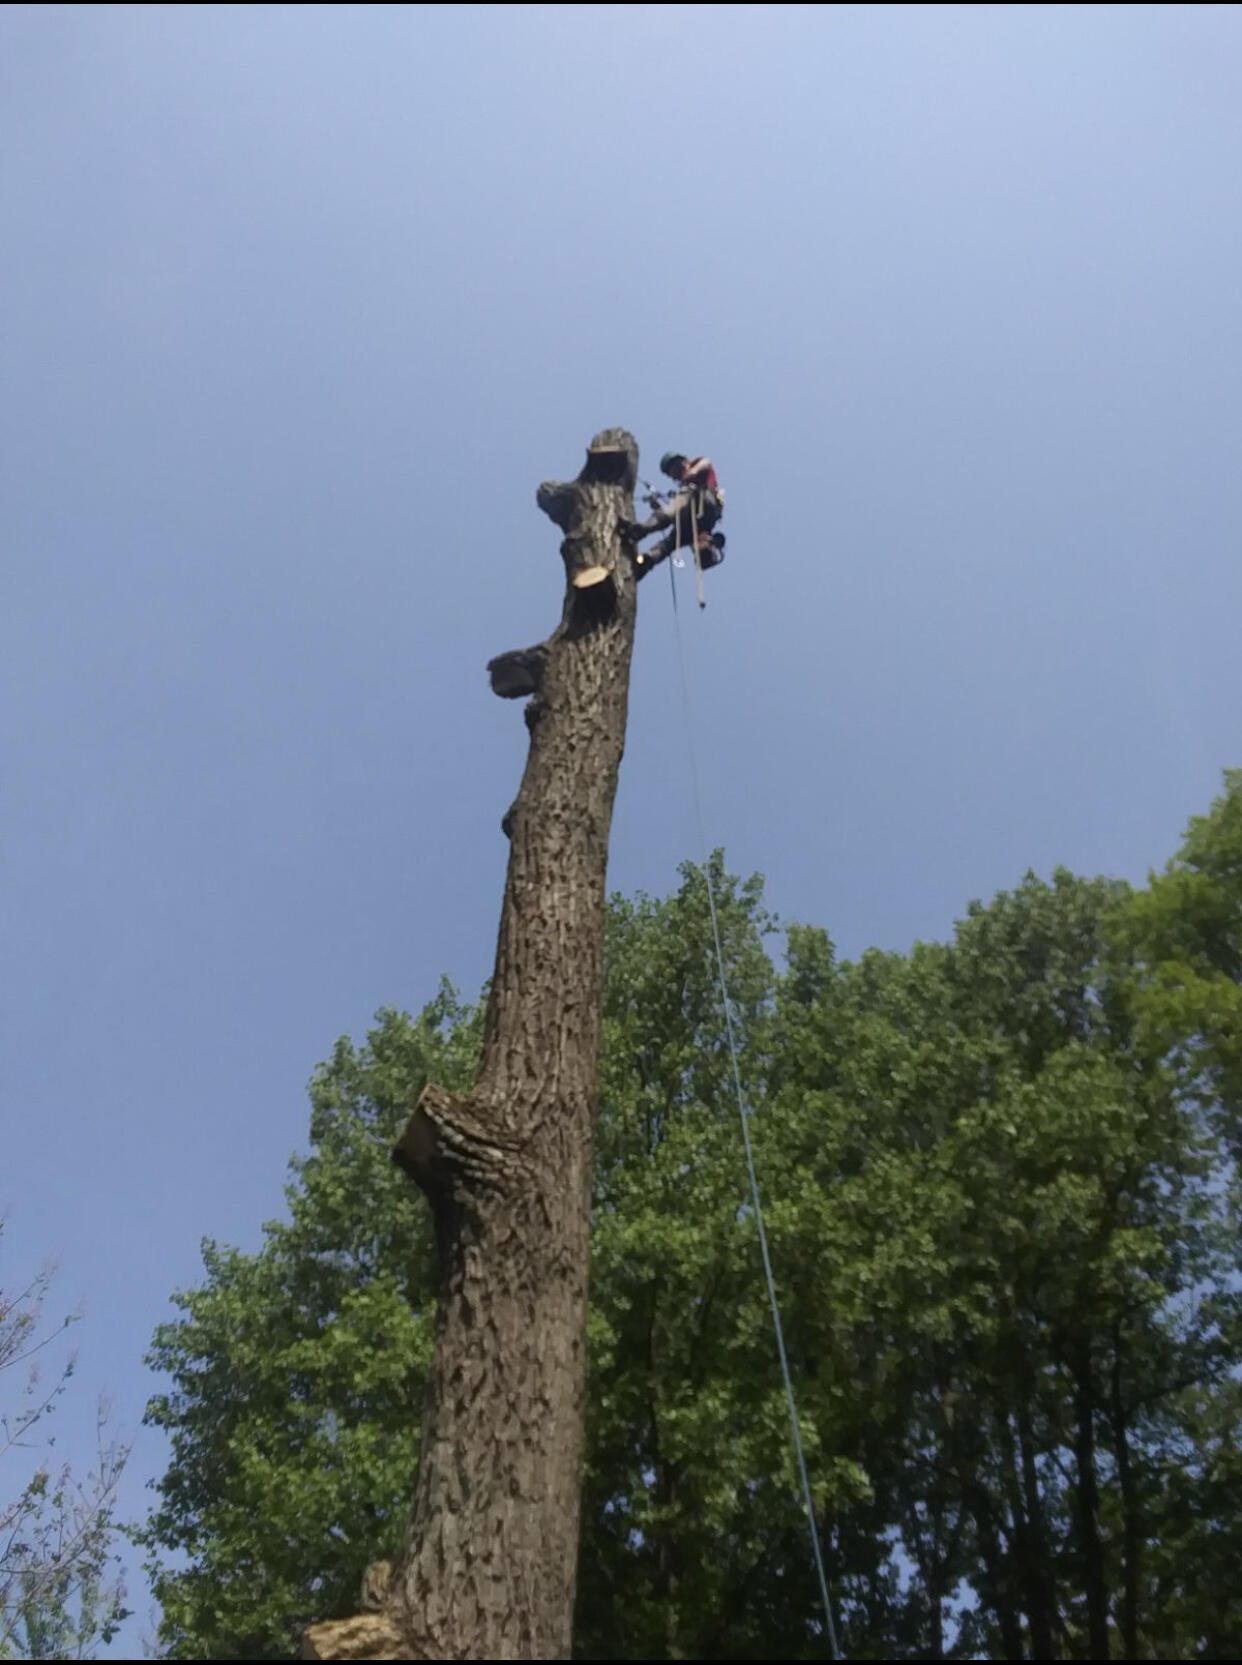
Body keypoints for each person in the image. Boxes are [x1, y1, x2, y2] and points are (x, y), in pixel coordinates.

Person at [625, 452, 725, 572]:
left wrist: (692, 472)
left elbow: (706, 463)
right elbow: (676, 512)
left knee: (681, 499)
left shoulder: (697, 466)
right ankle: (647, 560)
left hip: (703, 503)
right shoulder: (684, 490)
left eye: (674, 471)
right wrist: (658, 508)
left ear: (682, 462)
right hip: (695, 523)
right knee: (670, 543)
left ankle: (640, 529)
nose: (674, 477)